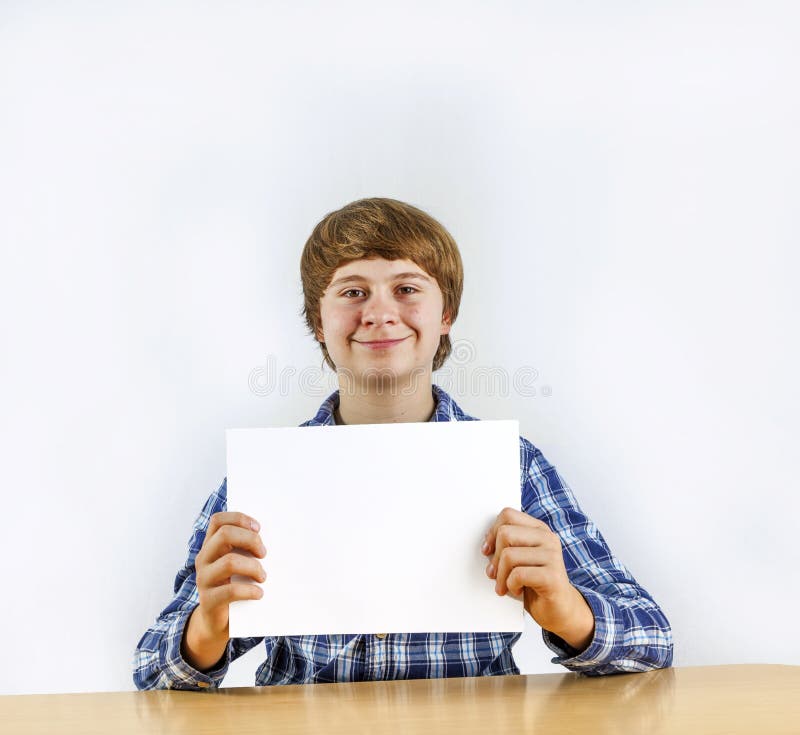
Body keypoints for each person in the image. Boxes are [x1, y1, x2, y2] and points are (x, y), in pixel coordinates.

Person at [133, 198, 673, 690]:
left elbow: (653, 642)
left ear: (445, 317)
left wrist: (567, 609)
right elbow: (152, 673)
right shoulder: (266, 478)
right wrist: (208, 625)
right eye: (352, 292)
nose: (379, 312)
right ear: (317, 323)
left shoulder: (512, 467)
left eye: (407, 288)